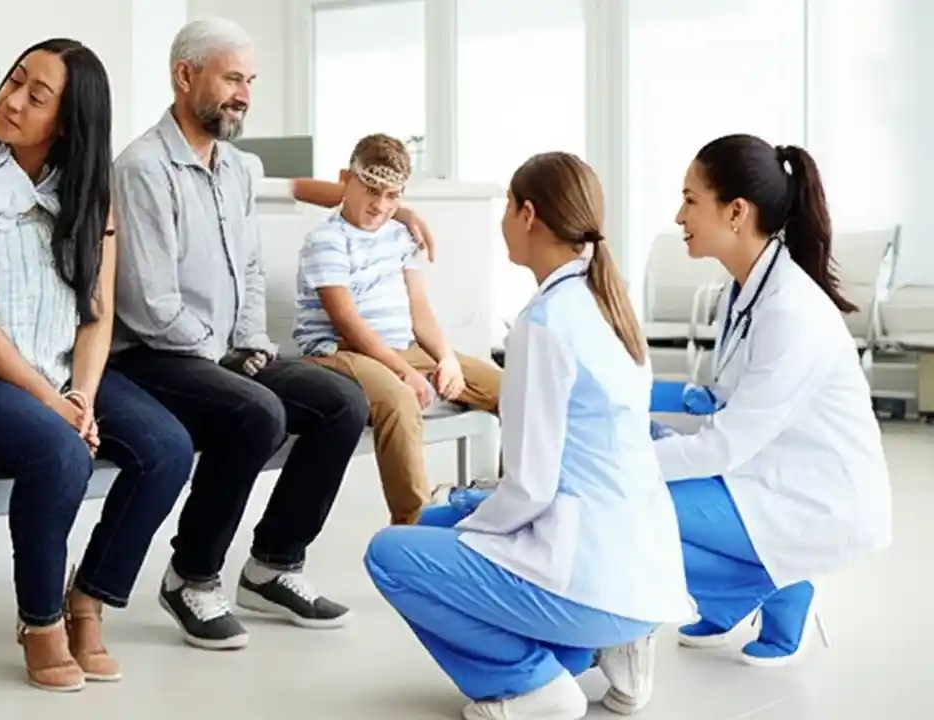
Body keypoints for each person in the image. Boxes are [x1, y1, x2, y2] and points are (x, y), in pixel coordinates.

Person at [365, 152, 692, 720]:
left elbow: (531, 489)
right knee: (437, 523)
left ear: (527, 214)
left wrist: (471, 523)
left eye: (507, 209)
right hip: (646, 574)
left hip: (590, 577)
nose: (502, 223)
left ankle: (532, 686)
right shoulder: (609, 305)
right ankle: (610, 648)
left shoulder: (544, 324)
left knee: (391, 553)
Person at [0, 39, 194, 691]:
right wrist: (51, 399)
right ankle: (39, 622)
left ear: (68, 121)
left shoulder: (91, 191)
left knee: (167, 448)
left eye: (35, 95)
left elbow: (95, 314)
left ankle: (88, 600)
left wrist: (85, 396)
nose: (11, 100)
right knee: (60, 453)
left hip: (64, 378)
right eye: (13, 81)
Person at [108, 17, 370, 651]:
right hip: (151, 355)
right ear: (184, 76)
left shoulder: (239, 169)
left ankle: (273, 565)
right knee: (256, 413)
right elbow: (149, 304)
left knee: (343, 403)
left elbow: (250, 268)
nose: (244, 93)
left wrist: (250, 342)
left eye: (249, 80)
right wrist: (226, 359)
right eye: (232, 78)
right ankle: (191, 577)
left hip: (225, 350)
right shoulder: (143, 167)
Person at [652, 134, 892, 666]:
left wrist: (623, 461)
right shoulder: (743, 289)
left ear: (736, 212)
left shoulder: (791, 310)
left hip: (814, 498)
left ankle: (781, 582)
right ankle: (750, 586)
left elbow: (723, 446)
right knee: (643, 458)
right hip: (765, 471)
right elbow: (723, 398)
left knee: (629, 499)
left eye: (690, 199)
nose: (678, 214)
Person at [294, 133, 502, 526]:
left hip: (397, 347)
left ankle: (510, 514)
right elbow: (349, 324)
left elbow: (419, 312)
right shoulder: (326, 239)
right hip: (337, 352)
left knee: (513, 390)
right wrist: (405, 372)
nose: (380, 205)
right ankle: (414, 526)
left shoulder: (399, 235)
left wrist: (446, 358)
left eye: (393, 196)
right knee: (399, 398)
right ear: (346, 179)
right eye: (372, 190)